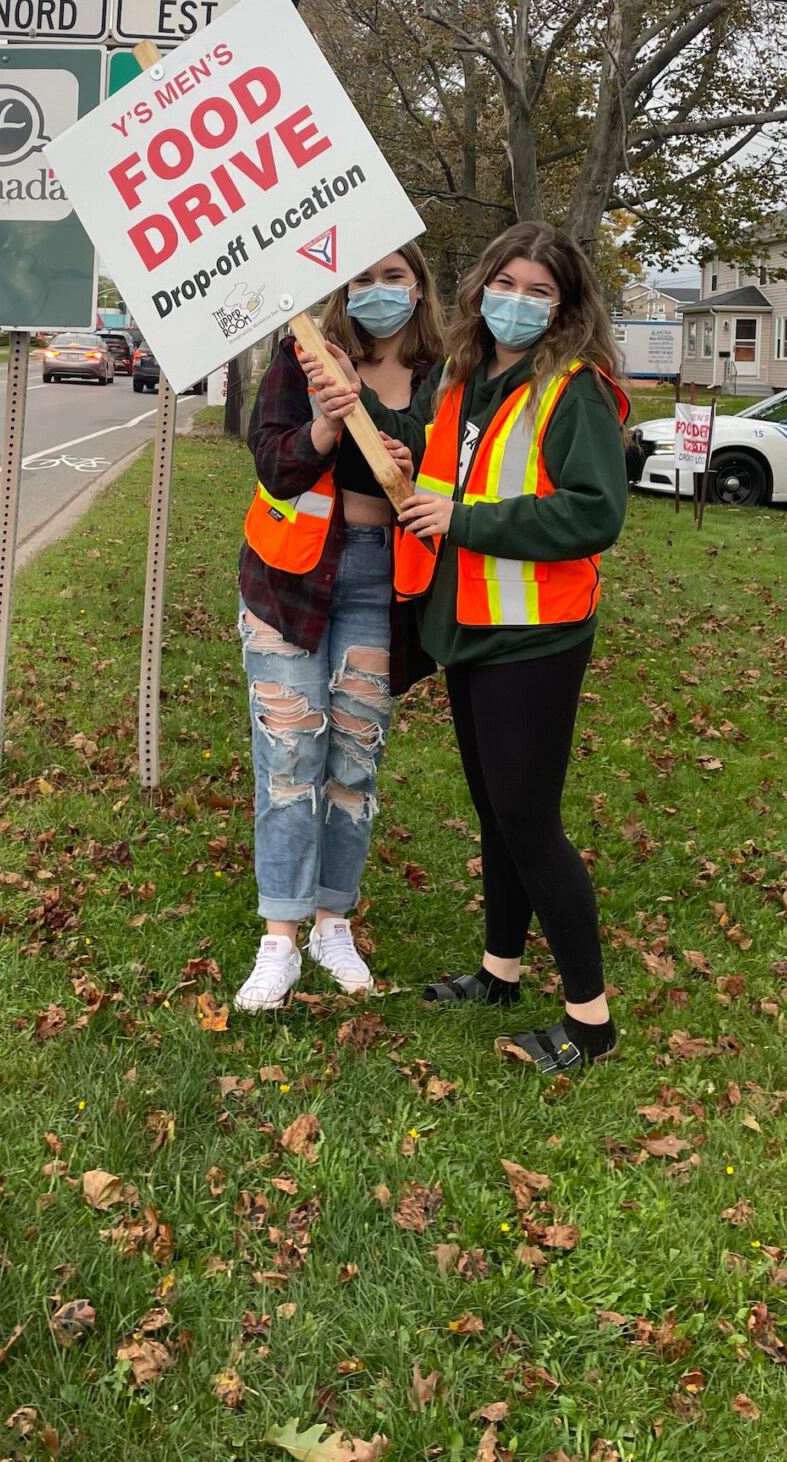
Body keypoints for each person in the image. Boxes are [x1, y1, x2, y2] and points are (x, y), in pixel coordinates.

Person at [301, 221, 630, 1076]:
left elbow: (595, 512)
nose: (516, 302)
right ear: (480, 290)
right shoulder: (462, 377)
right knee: (495, 812)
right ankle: (498, 972)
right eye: (505, 285)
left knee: (529, 821)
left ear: (564, 306)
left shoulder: (572, 390)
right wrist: (357, 403)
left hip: (536, 631)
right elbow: (419, 450)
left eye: (538, 291)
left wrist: (464, 520)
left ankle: (590, 1021)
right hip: (469, 627)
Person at [234, 244, 446, 1012]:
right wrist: (325, 426)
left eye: (394, 276)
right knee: (289, 755)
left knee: (353, 763)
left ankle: (333, 923)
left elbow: (464, 476)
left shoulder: (445, 376)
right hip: (289, 581)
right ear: (340, 288)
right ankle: (279, 940)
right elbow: (272, 465)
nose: (378, 290)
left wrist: (418, 464)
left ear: (418, 287)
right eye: (362, 277)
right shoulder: (305, 358)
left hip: (383, 588)